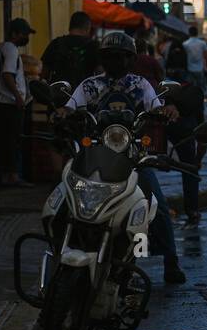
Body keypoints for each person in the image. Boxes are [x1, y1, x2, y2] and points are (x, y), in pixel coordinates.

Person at [60, 31, 188, 284]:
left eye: (122, 57)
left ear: (131, 59)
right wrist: (62, 112)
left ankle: (170, 261)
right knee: (64, 200)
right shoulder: (89, 86)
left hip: (133, 158)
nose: (116, 61)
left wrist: (167, 110)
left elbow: (156, 107)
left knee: (156, 206)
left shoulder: (141, 85)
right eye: (110, 56)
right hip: (93, 156)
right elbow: (70, 106)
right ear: (102, 58)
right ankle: (59, 252)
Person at [163, 45, 207, 226]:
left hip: (156, 130)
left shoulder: (156, 87)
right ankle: (192, 210)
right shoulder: (194, 91)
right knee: (189, 170)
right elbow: (202, 130)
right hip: (185, 134)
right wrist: (198, 160)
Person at [0, 17, 35, 187]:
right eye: (24, 34)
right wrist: (19, 97)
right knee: (12, 140)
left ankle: (7, 175)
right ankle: (12, 176)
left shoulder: (3, 48)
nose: (26, 37)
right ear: (14, 34)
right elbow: (7, 74)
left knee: (8, 140)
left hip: (4, 102)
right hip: (11, 103)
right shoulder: (11, 49)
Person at [40, 11, 99, 90]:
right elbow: (100, 73)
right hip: (84, 97)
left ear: (69, 27)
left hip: (58, 96)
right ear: (88, 28)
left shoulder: (56, 43)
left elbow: (44, 74)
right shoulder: (94, 46)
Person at [182, 27, 207, 92]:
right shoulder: (202, 43)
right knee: (200, 87)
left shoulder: (185, 44)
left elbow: (183, 56)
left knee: (190, 88)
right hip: (200, 68)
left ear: (189, 33)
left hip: (189, 68)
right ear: (197, 33)